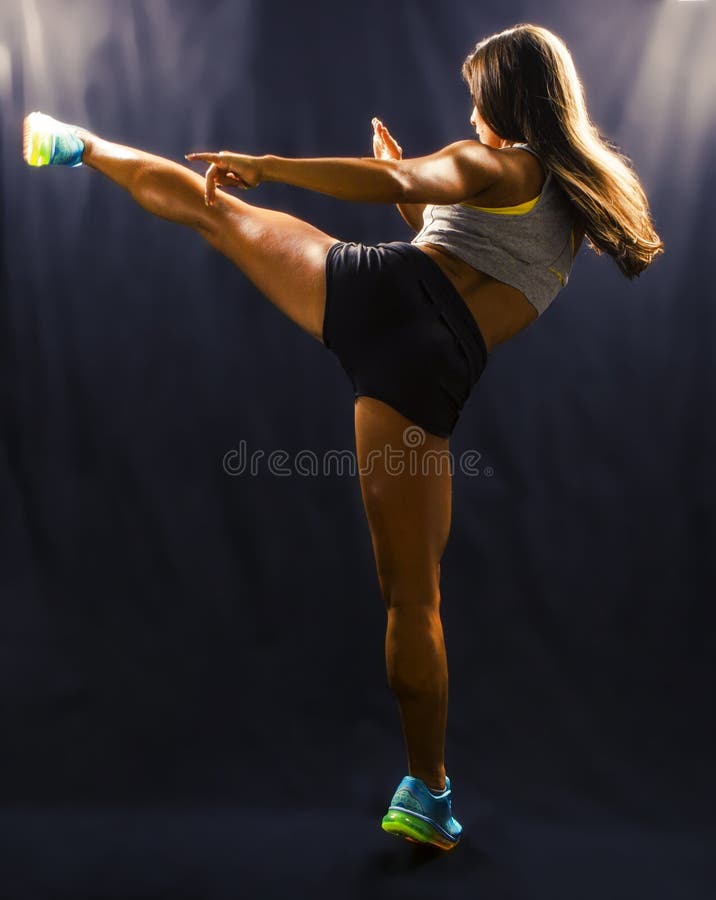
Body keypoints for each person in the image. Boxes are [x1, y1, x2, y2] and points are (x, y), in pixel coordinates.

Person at [22, 23, 663, 851]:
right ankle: (428, 792)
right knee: (414, 598)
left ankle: (82, 146)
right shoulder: (571, 207)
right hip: (430, 368)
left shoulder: (499, 164)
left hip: (381, 302)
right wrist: (411, 199)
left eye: (479, 102)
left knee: (217, 212)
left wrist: (273, 165)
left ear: (509, 103)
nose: (472, 118)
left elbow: (414, 191)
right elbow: (453, 239)